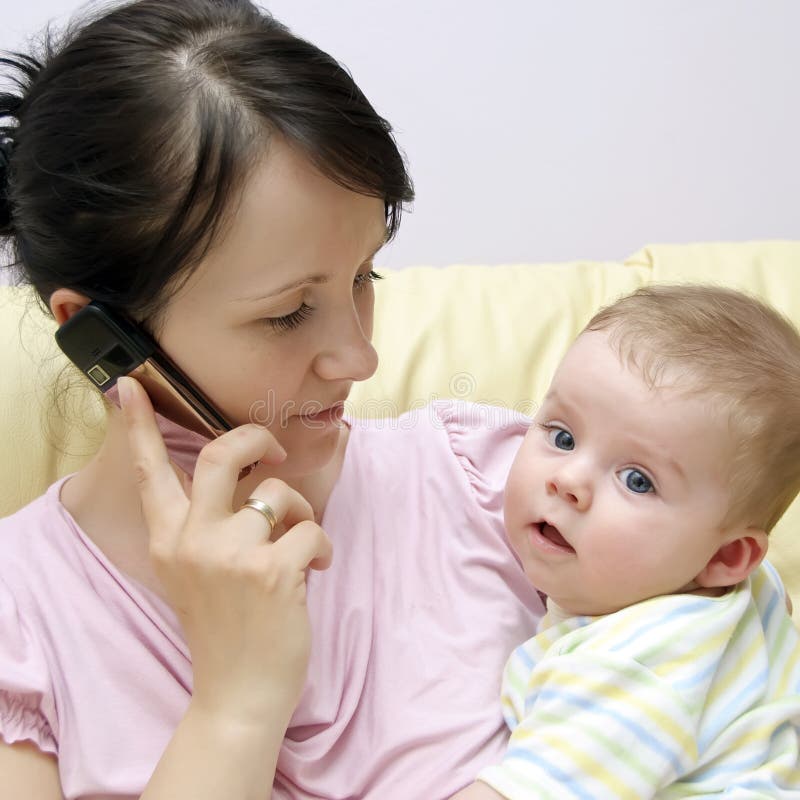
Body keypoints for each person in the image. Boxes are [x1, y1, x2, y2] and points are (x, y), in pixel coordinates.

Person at [0, 2, 545, 799]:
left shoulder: (508, 488)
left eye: (365, 277)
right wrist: (235, 706)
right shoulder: (19, 626)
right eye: (287, 312)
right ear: (99, 335)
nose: (360, 356)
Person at [453, 284, 800, 799]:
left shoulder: (629, 669)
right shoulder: (741, 592)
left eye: (637, 480)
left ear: (727, 557)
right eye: (562, 436)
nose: (568, 480)